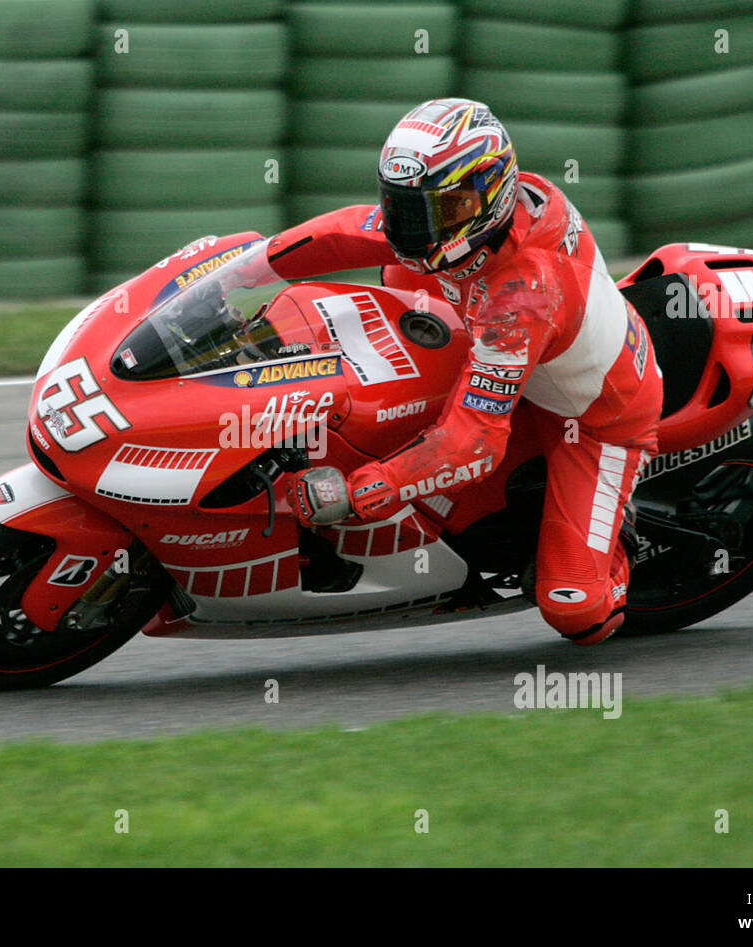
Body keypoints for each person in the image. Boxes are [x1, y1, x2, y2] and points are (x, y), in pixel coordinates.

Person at [266, 97, 662, 645]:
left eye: (440, 212)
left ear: (490, 194)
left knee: (577, 612)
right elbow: (347, 231)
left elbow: (476, 444)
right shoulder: (486, 212)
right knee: (396, 270)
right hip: (524, 340)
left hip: (593, 416)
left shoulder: (520, 298)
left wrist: (363, 491)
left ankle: (619, 544)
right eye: (405, 208)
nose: (415, 228)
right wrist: (246, 264)